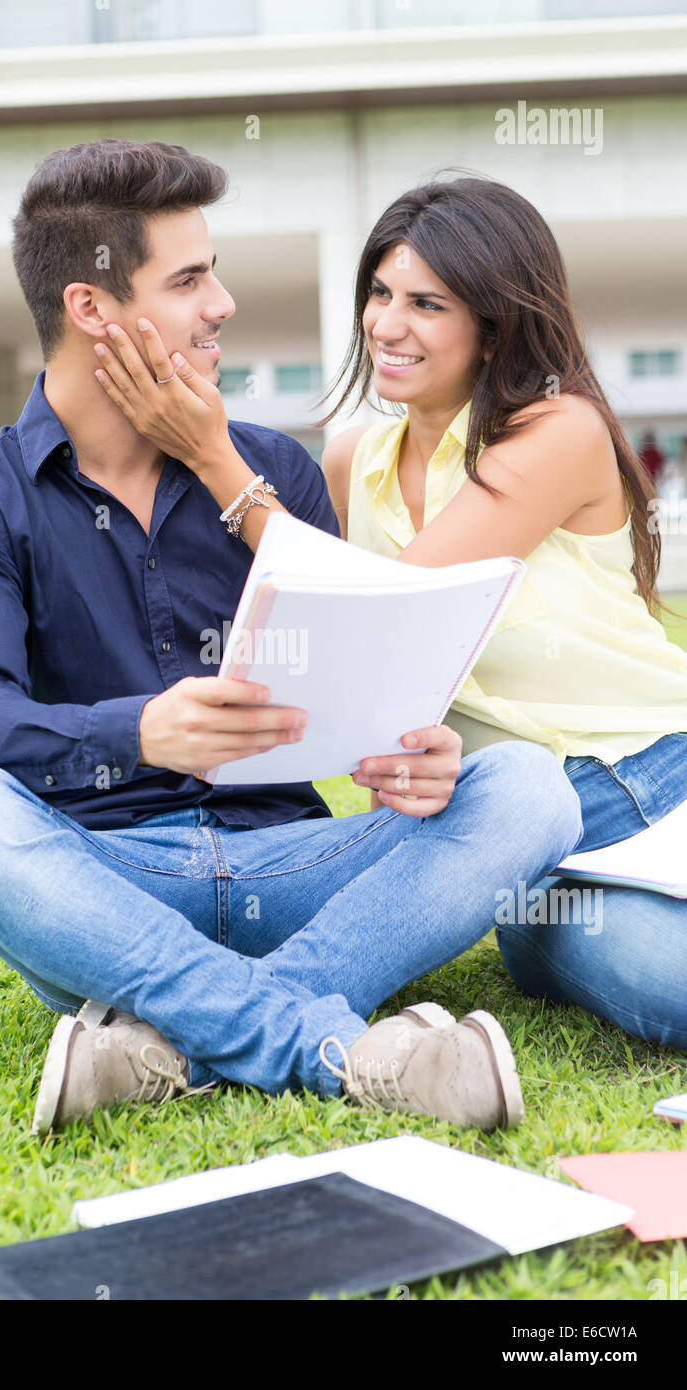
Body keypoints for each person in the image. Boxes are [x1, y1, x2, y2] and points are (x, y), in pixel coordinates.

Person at [0, 142, 583, 1135]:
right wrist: (139, 732)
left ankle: (171, 1041)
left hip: (299, 872)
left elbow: (364, 685)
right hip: (110, 890)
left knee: (525, 788)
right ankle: (325, 1045)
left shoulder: (272, 475)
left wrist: (410, 754)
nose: (220, 302)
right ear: (93, 309)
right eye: (188, 280)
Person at [314, 175, 687, 1051]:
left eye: (428, 304)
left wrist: (220, 465)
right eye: (379, 293)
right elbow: (315, 646)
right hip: (511, 823)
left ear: (495, 323)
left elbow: (397, 613)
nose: (386, 325)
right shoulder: (348, 460)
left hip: (653, 782)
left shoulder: (560, 429)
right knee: (649, 979)